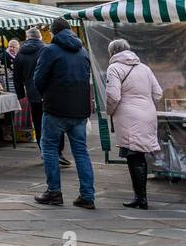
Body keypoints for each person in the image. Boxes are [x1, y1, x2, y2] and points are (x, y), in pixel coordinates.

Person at [32, 18, 95, 208]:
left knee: (49, 148)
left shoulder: (50, 50)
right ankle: (87, 195)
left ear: (53, 32)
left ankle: (54, 192)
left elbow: (38, 79)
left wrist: (46, 95)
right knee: (81, 151)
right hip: (79, 109)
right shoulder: (83, 51)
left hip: (56, 108)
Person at [104, 38, 162, 210]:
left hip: (128, 116)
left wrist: (110, 111)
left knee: (134, 155)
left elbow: (113, 96)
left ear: (112, 52)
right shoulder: (144, 67)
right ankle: (140, 197)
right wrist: (146, 105)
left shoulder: (114, 68)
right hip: (148, 114)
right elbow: (158, 93)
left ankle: (141, 198)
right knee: (139, 154)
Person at [12, 27, 68, 165]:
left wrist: (20, 94)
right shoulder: (47, 49)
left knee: (38, 123)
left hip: (32, 93)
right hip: (48, 92)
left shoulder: (20, 54)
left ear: (27, 38)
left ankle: (44, 150)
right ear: (40, 37)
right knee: (55, 121)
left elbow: (16, 77)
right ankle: (58, 151)